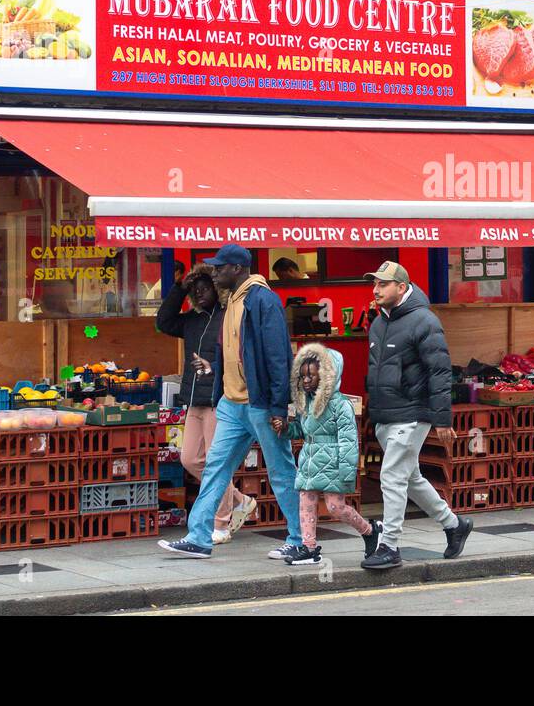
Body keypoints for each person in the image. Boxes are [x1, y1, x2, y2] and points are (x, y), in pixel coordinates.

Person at [158, 244, 303, 560]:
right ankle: (198, 537)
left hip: (260, 404)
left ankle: (301, 539)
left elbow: (279, 356)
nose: (216, 271)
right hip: (232, 404)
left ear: (237, 269)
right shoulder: (233, 302)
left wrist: (280, 406)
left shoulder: (263, 301)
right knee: (214, 469)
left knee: (280, 471)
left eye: (220, 267)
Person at [360, 261, 472, 570]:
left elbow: (439, 372)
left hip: (412, 414)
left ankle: (389, 545)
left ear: (401, 286)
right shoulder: (379, 322)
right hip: (386, 415)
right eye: (375, 284)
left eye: (383, 284)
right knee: (410, 479)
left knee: (392, 476)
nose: (376, 289)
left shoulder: (425, 320)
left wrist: (443, 420)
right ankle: (454, 525)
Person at [155, 265, 254, 544]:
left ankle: (221, 524)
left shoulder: (227, 317)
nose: (199, 294)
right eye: (194, 291)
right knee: (189, 459)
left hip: (218, 400)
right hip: (194, 399)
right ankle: (238, 500)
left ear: (217, 288)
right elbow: (163, 322)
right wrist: (178, 288)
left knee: (214, 463)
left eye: (204, 288)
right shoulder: (191, 321)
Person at [275, 343, 381, 565]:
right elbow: (302, 431)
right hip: (310, 462)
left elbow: (349, 441)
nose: (306, 381)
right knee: (305, 504)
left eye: (311, 376)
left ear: (326, 375)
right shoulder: (306, 403)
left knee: (335, 508)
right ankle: (309, 547)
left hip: (333, 463)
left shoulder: (341, 405)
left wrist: (347, 470)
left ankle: (370, 530)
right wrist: (285, 429)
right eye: (302, 376)